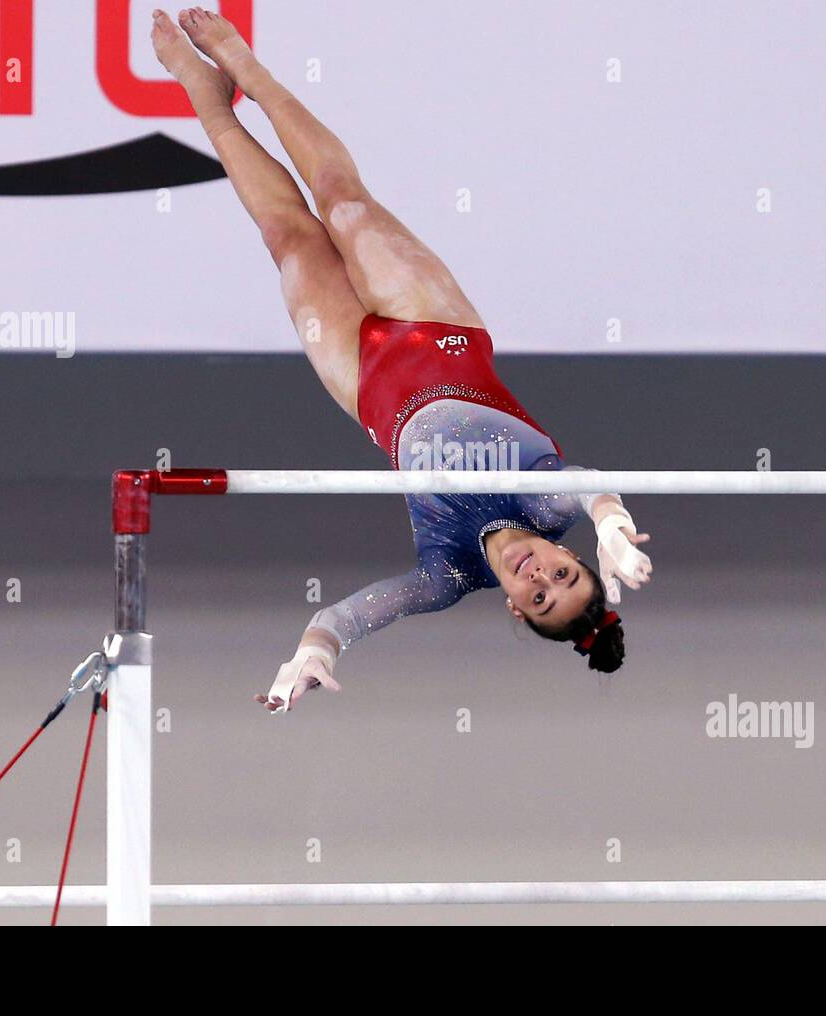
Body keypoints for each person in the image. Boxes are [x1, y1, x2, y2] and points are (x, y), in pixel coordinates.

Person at [151, 8, 652, 712]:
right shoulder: (544, 503)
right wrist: (611, 526)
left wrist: (313, 652)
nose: (539, 572)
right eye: (564, 574)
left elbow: (349, 617)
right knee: (344, 206)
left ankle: (208, 101)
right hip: (438, 332)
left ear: (514, 607)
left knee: (290, 239)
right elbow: (593, 485)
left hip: (371, 387)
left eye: (538, 596)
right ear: (572, 556)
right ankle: (248, 71)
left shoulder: (445, 575)